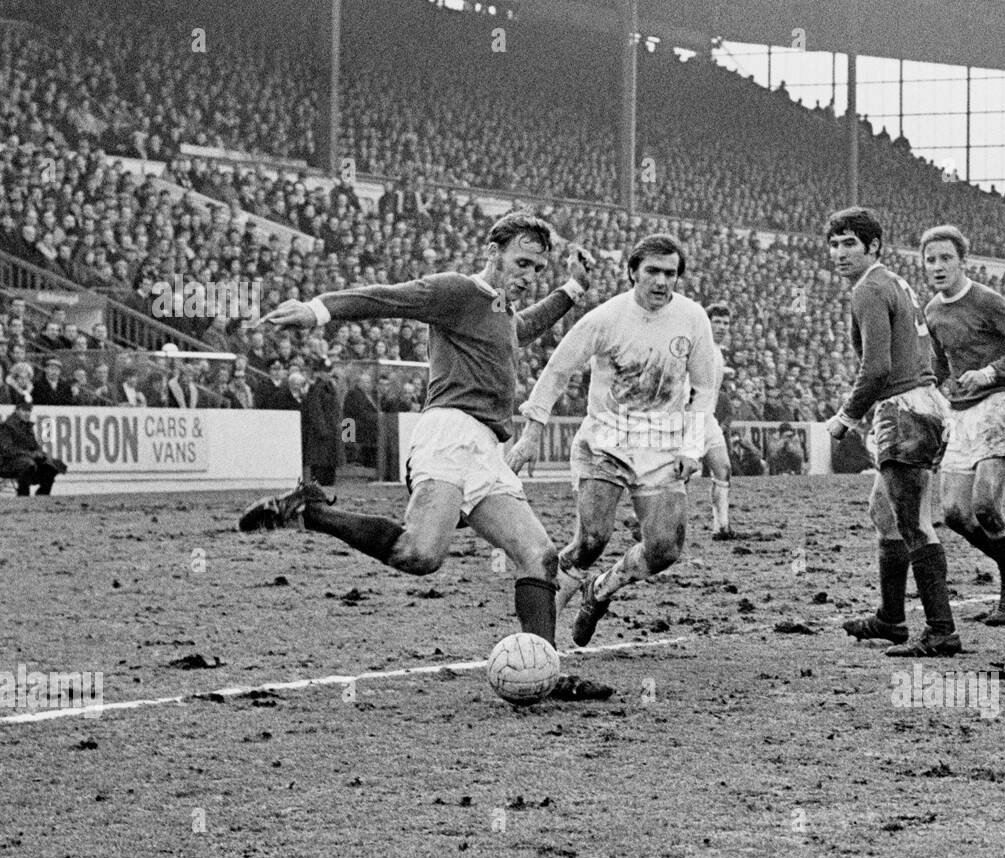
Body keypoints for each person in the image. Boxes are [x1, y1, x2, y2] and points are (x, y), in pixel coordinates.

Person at [238, 213, 608, 700]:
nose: (527, 275)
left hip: (484, 449)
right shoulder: (457, 292)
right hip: (448, 435)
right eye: (521, 262)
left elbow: (524, 328)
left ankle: (544, 669)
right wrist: (319, 309)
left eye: (537, 268)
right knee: (420, 554)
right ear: (492, 252)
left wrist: (573, 288)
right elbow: (388, 297)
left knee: (538, 557)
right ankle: (310, 512)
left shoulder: (498, 311)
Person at [509, 233, 718, 649]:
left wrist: (692, 448)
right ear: (632, 273)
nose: (662, 282)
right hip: (606, 440)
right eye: (652, 272)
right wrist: (532, 430)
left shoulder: (693, 318)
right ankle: (538, 641)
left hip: (661, 444)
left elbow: (706, 386)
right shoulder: (607, 317)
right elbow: (557, 369)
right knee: (591, 541)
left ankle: (600, 590)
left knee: (664, 549)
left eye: (670, 274)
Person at [823, 207, 958, 657]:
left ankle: (941, 631)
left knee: (913, 524)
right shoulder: (895, 282)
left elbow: (876, 367)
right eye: (834, 244)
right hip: (921, 403)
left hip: (901, 409)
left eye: (849, 244)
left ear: (873, 246)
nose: (839, 253)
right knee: (884, 515)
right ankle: (891, 618)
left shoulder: (869, 288)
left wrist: (846, 416)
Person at [921, 224, 1005, 626]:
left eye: (946, 259)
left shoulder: (987, 300)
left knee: (986, 506)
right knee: (956, 513)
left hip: (996, 406)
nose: (938, 267)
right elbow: (941, 363)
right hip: (961, 413)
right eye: (930, 260)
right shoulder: (933, 311)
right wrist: (934, 389)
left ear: (963, 262)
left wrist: (990, 372)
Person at [699, 303, 735, 538]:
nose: (721, 327)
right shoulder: (698, 347)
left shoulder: (718, 351)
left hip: (707, 419)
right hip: (689, 417)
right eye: (717, 322)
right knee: (677, 475)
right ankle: (645, 521)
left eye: (725, 323)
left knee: (723, 468)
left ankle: (721, 527)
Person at [0, 400, 67, 495]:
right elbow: (7, 449)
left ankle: (42, 495)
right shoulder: (7, 426)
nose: (27, 413)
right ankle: (23, 494)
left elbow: (34, 445)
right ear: (17, 410)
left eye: (29, 411)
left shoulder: (27, 426)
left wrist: (40, 453)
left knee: (53, 464)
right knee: (28, 464)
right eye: (24, 410)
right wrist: (30, 454)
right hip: (8, 463)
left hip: (26, 460)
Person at [302, 357, 342, 487]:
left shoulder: (330, 387)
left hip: (332, 434)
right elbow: (315, 411)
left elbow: (337, 411)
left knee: (330, 469)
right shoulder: (316, 388)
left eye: (329, 371)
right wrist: (323, 431)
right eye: (325, 371)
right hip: (321, 437)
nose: (328, 374)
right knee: (320, 468)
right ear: (318, 372)